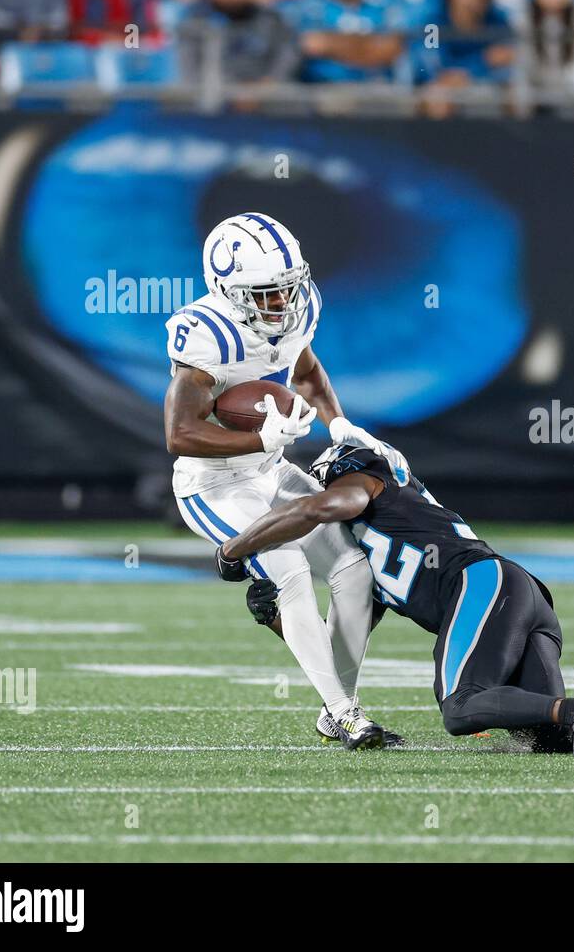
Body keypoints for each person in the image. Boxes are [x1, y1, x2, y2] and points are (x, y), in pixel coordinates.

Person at [216, 438, 574, 757]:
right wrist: (281, 625)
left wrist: (236, 549)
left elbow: (318, 509)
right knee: (548, 735)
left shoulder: (367, 489)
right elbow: (346, 647)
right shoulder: (379, 548)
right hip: (520, 595)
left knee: (462, 707)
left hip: (483, 585)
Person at [164, 212, 381, 750]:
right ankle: (346, 712)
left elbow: (304, 369)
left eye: (287, 287)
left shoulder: (299, 308)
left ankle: (337, 709)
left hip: (272, 469)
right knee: (289, 571)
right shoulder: (207, 334)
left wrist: (339, 423)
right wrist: (260, 440)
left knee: (356, 570)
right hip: (214, 484)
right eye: (265, 294)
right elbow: (180, 433)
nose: (282, 302)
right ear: (227, 290)